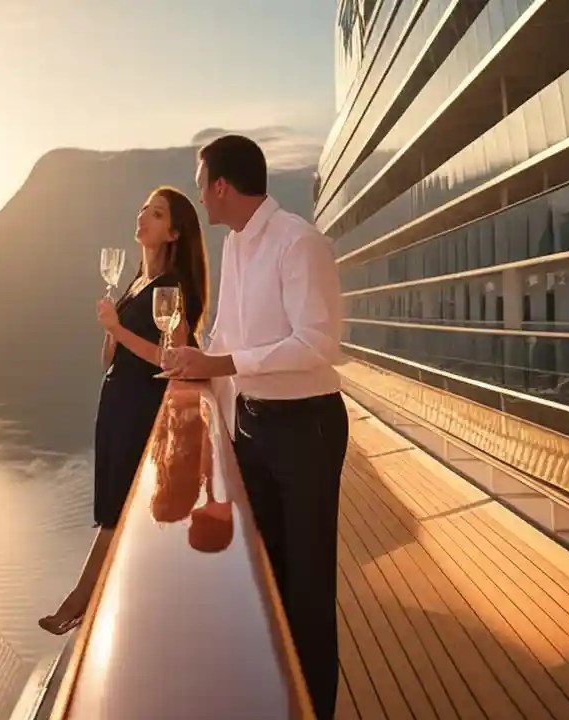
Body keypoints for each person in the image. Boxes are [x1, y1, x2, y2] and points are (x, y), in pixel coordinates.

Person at [162, 134, 347, 719]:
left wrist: (222, 363)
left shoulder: (299, 242)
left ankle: (312, 710)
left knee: (309, 589)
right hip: (253, 426)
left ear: (221, 185)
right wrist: (195, 365)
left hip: (306, 431)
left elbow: (318, 342)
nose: (198, 195)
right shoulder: (238, 245)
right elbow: (227, 337)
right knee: (264, 577)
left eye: (201, 181)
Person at [38, 186, 209, 635]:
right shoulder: (136, 284)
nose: (143, 218)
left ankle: (80, 601)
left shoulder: (170, 288)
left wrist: (118, 327)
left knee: (117, 512)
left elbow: (172, 354)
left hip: (140, 408)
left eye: (156, 214)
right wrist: (109, 332)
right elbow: (107, 361)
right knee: (115, 507)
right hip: (115, 405)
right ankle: (99, 604)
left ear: (172, 233)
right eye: (143, 209)